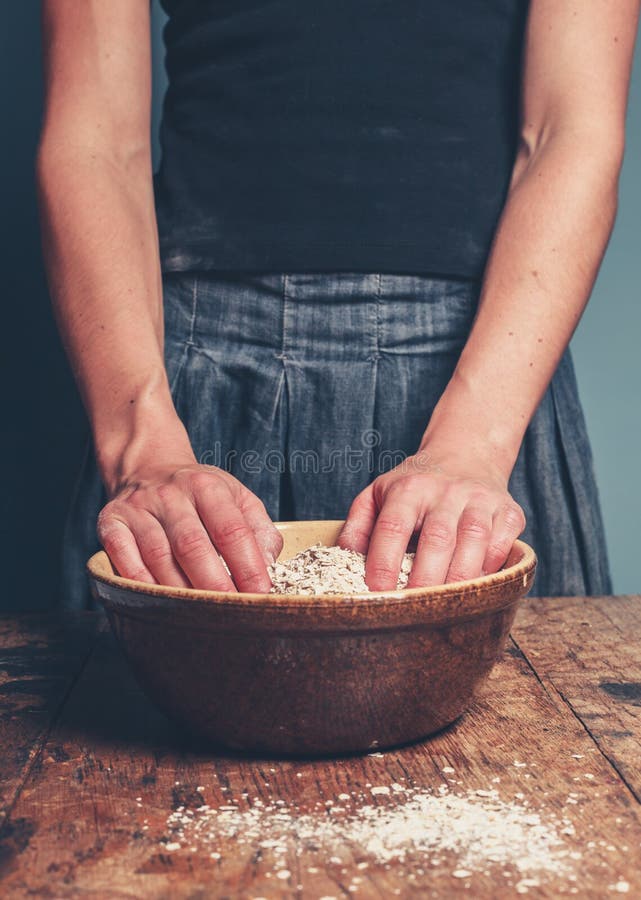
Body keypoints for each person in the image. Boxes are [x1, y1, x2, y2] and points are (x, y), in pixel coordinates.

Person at [38, 1, 639, 608]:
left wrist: (476, 444)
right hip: (184, 387)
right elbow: (99, 141)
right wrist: (142, 446)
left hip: (489, 373)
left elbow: (570, 133)